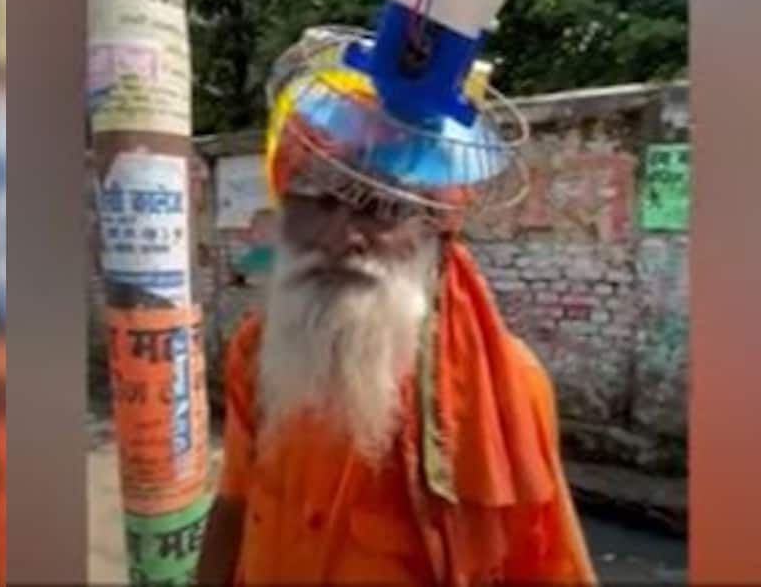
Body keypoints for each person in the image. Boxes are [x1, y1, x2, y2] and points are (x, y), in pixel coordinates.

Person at [197, 54, 597, 586]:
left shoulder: (508, 384)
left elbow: (550, 562)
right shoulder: (257, 348)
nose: (339, 239)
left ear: (433, 232)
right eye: (317, 202)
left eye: (379, 209)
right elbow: (235, 499)